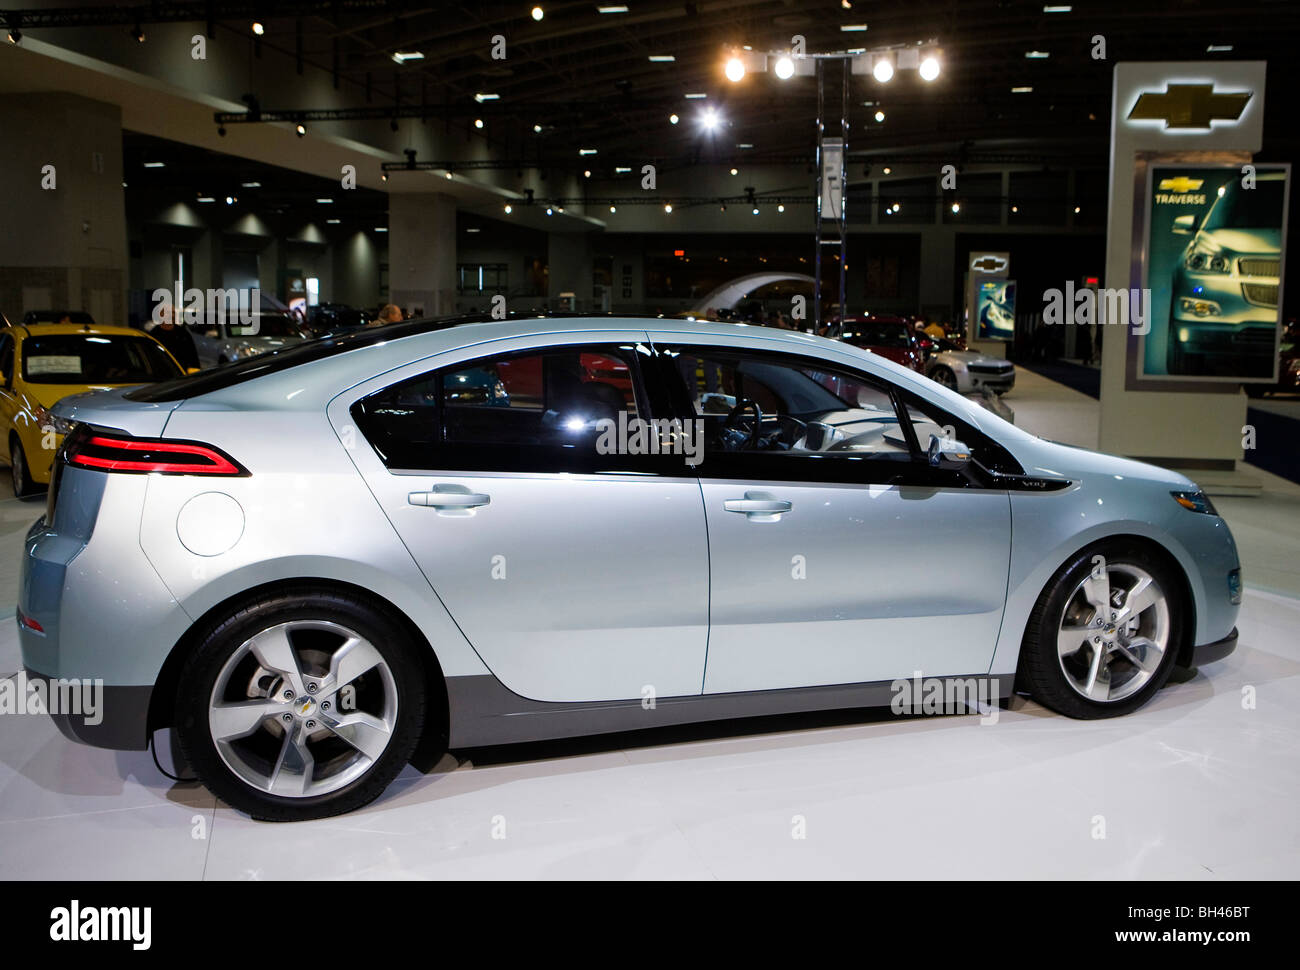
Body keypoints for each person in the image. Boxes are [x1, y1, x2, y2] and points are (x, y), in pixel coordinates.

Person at [148, 303, 199, 371]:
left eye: (173, 312)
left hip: (182, 375)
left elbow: (193, 357)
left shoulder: (183, 334)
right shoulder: (154, 335)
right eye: (168, 312)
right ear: (161, 314)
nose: (172, 315)